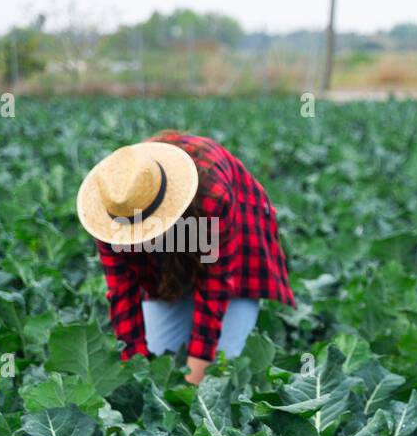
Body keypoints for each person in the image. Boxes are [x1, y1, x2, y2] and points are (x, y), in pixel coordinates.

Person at [76, 132, 295, 384]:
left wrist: (196, 386)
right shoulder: (113, 206)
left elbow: (215, 288)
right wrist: (136, 378)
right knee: (161, 365)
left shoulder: (212, 195)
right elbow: (122, 294)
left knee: (221, 372)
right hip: (172, 253)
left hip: (236, 239)